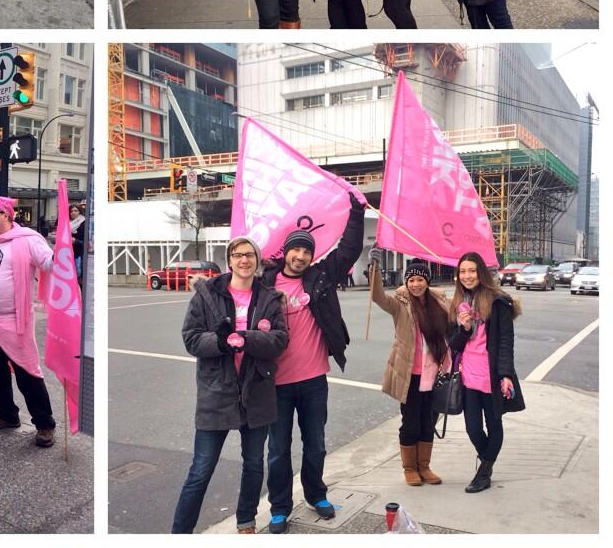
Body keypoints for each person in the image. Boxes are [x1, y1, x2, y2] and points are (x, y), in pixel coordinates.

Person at [258, 195, 368, 533]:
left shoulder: (321, 276)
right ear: (286, 252)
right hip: (275, 383)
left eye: (307, 251)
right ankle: (279, 507)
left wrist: (357, 212)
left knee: (315, 443)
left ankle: (316, 494)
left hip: (314, 380)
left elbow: (348, 250)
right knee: (278, 450)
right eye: (297, 250)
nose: (301, 256)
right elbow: (232, 293)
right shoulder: (265, 284)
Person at [171, 237, 289, 534]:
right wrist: (222, 342)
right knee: (201, 470)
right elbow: (191, 338)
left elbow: (279, 340)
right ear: (229, 259)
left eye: (250, 255)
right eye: (238, 255)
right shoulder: (207, 294)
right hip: (216, 392)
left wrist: (245, 338)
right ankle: (179, 533)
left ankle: (246, 521)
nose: (244, 260)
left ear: (257, 260)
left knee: (253, 464)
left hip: (257, 391)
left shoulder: (270, 298)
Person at [0, 196, 56, 446]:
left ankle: (44, 423)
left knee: (27, 372)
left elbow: (50, 264)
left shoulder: (28, 240)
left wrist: (63, 249)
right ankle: (5, 414)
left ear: (7, 215)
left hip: (14, 321)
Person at [447, 251, 525, 493]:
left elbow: (505, 342)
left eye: (472, 270)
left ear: (480, 272)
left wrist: (505, 375)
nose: (467, 276)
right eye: (463, 271)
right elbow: (454, 344)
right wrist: (465, 328)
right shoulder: (459, 303)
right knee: (472, 428)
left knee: (494, 424)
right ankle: (487, 461)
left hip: (492, 377)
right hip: (469, 377)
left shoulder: (497, 301)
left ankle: (484, 472)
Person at [370, 256, 450, 486]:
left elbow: (457, 316)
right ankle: (409, 468)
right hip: (410, 375)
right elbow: (377, 297)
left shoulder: (439, 303)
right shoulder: (400, 304)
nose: (416, 284)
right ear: (406, 282)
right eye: (411, 280)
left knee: (427, 422)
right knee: (411, 422)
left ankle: (424, 467)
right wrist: (374, 270)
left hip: (433, 375)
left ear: (427, 281)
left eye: (420, 280)